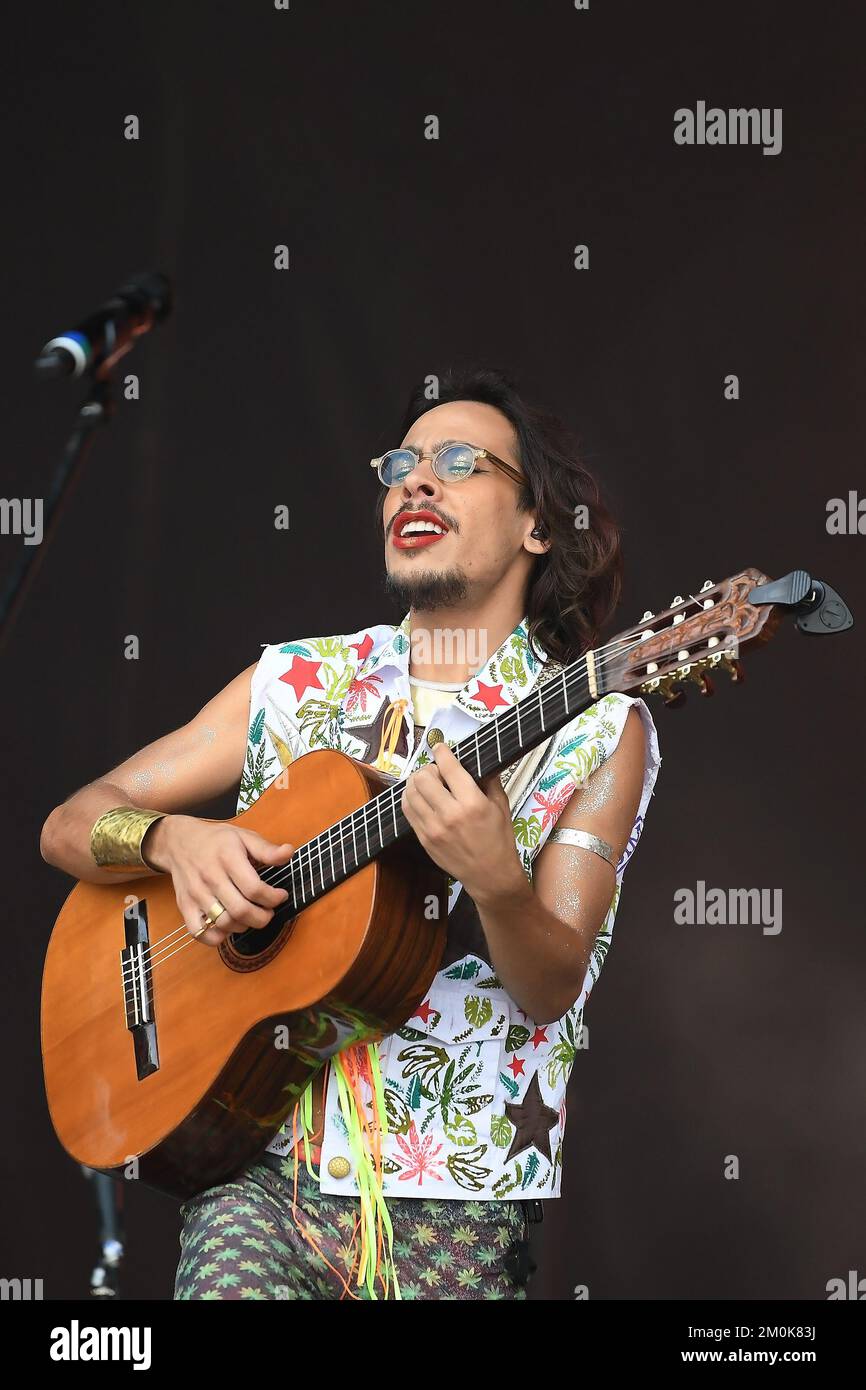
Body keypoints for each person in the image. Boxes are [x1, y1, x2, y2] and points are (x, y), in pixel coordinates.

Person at [41, 366, 662, 1300]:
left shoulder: (598, 729)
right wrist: (175, 841)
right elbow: (68, 824)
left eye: (459, 462)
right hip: (259, 1164)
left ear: (540, 523)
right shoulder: (292, 681)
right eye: (402, 463)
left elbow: (549, 987)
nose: (416, 481)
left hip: (464, 1199)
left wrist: (495, 881)